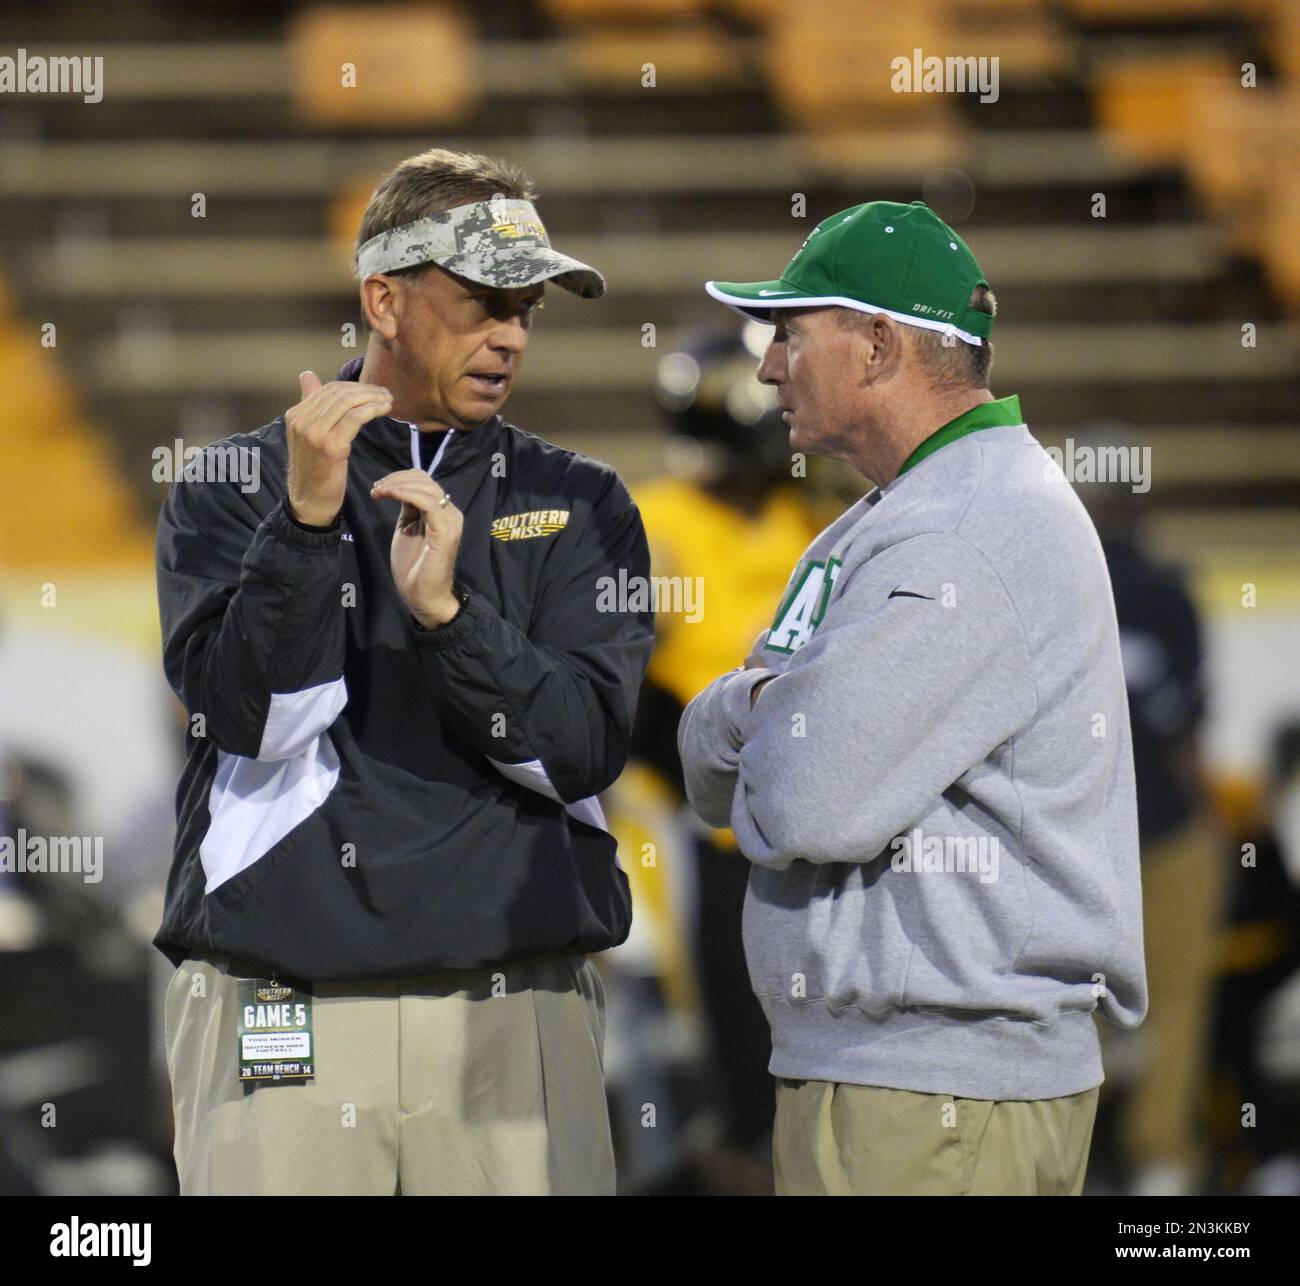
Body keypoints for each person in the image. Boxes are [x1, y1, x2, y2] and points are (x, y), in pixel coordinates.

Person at [154, 148, 654, 1195]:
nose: (510, 335)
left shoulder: (582, 501)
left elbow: (578, 748)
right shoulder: (236, 486)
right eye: (480, 302)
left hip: (511, 1016)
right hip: (284, 1007)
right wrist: (304, 524)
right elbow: (256, 719)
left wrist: (449, 619)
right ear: (383, 298)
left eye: (526, 307)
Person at [677, 199, 1148, 1195]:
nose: (766, 367)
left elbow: (807, 796)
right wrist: (763, 717)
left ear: (880, 344)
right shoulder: (903, 512)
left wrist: (747, 714)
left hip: (935, 1092)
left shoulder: (967, 528)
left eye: (791, 335)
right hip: (896, 1076)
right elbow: (724, 775)